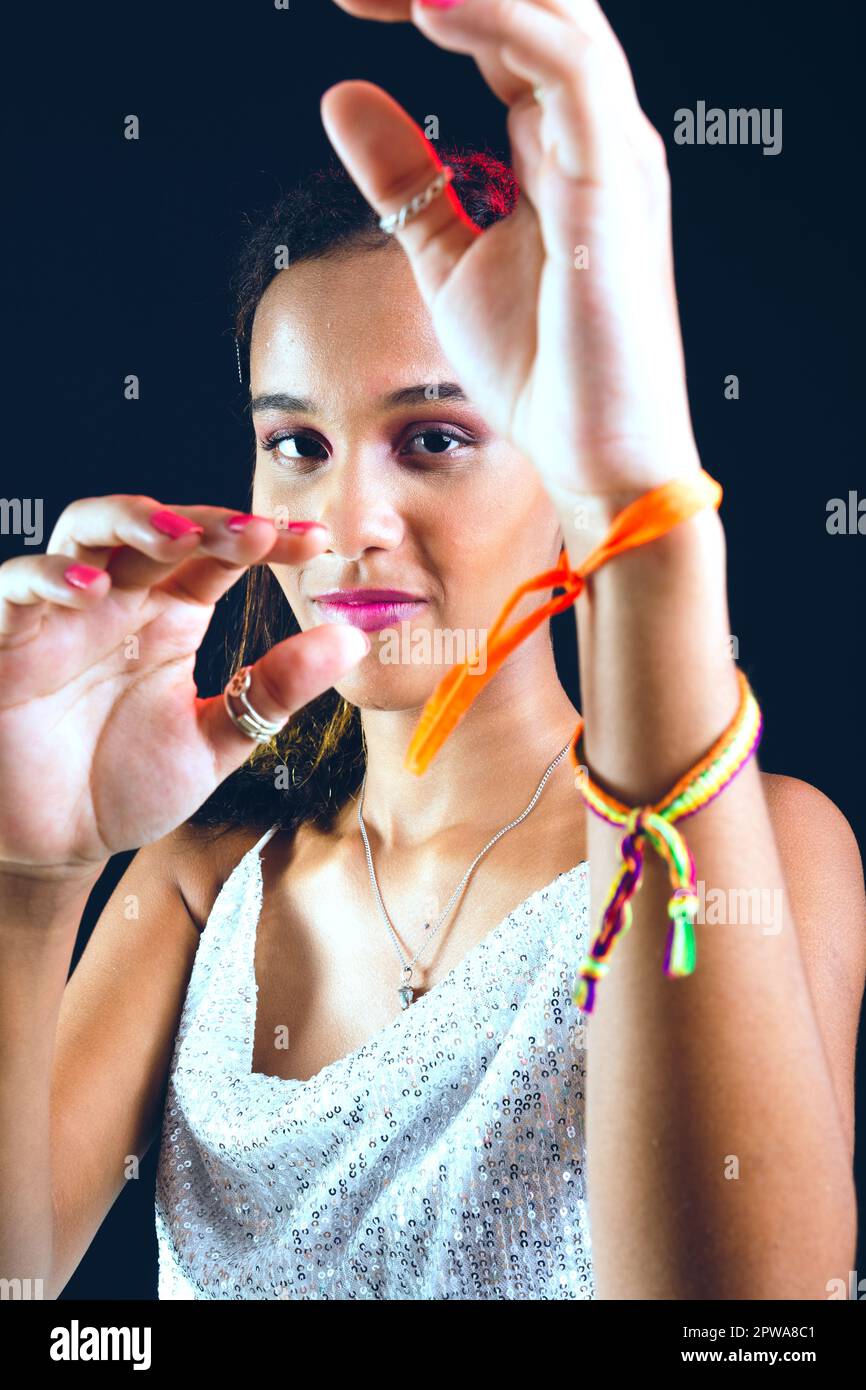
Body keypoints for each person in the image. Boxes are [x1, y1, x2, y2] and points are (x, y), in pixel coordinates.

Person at [1, 0, 864, 1302]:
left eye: (433, 438)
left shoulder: (768, 847)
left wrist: (644, 527)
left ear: (559, 455)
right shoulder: (199, 883)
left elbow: (744, 1323)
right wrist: (29, 880)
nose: (344, 523)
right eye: (297, 444)